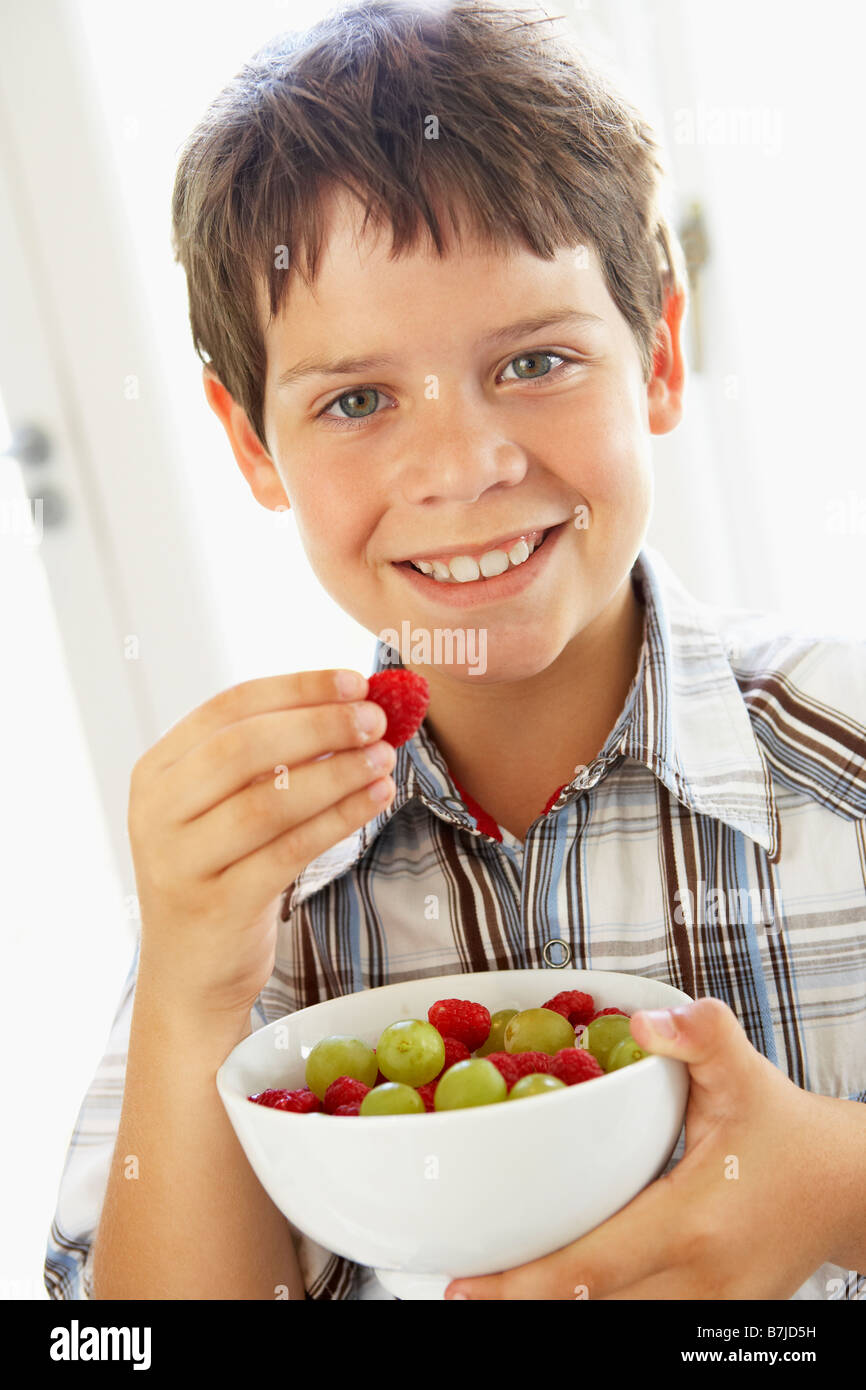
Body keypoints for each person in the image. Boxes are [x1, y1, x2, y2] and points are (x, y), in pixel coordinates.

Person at [45, 0, 865, 1301]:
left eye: (535, 359)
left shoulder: (848, 762)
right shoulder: (250, 867)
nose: (464, 467)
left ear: (657, 351)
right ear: (252, 444)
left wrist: (837, 1179)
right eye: (356, 399)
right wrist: (193, 998)